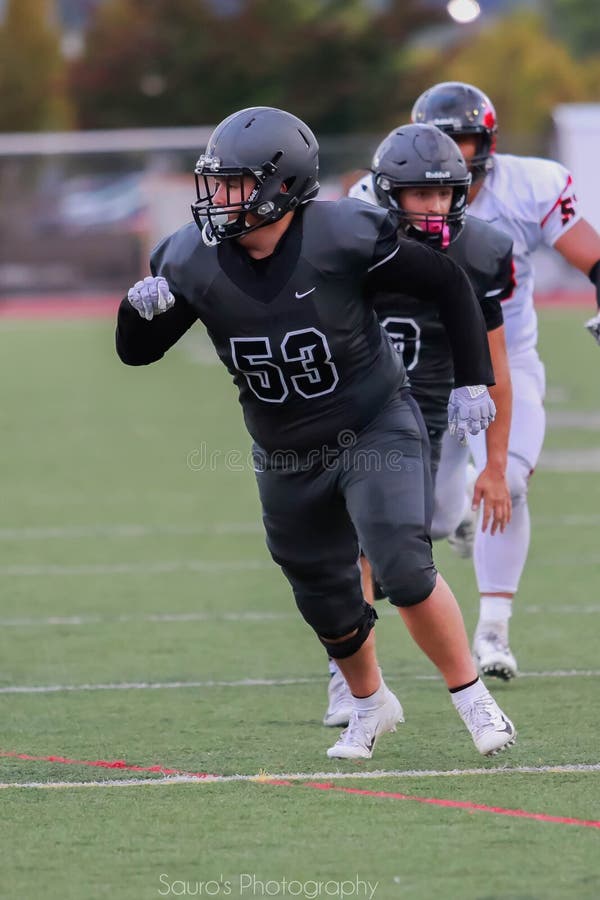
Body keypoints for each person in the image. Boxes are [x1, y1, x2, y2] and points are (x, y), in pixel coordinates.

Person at [116, 105, 516, 760]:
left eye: (235, 183)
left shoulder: (342, 233)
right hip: (284, 451)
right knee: (324, 595)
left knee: (401, 562)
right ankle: (369, 705)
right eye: (217, 181)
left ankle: (473, 698)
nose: (219, 197)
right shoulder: (189, 256)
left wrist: (472, 378)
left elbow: (446, 280)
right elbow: (138, 352)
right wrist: (135, 315)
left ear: (280, 186)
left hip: (373, 422)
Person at [323, 122, 514, 728]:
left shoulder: (478, 249)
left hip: (439, 405)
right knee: (366, 540)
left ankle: (451, 515)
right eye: (419, 194)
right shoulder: (352, 239)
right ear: (386, 193)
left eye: (445, 194)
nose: (435, 207)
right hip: (366, 408)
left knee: (426, 525)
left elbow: (497, 363)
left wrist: (496, 461)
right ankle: (349, 682)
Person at [411, 81, 600, 680]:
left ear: (486, 140)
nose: (456, 157)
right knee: (436, 522)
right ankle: (461, 505)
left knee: (509, 479)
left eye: (465, 140)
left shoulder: (530, 186)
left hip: (503, 359)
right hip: (423, 368)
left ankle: (493, 628)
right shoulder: (385, 191)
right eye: (444, 142)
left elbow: (593, 256)